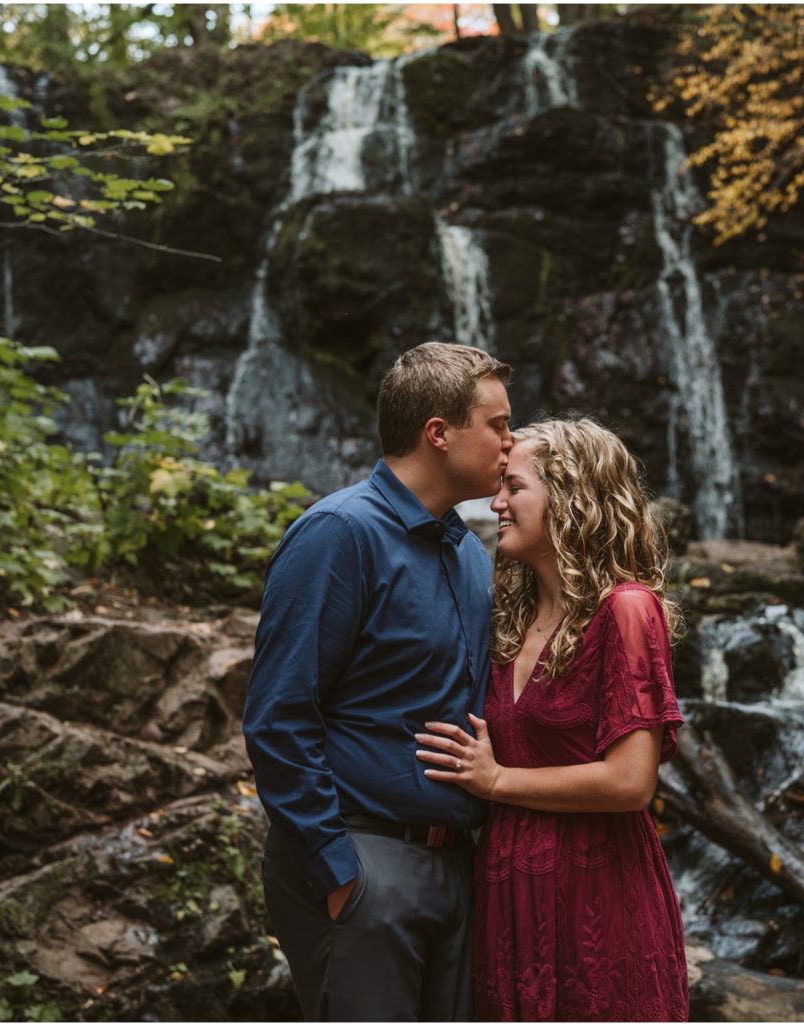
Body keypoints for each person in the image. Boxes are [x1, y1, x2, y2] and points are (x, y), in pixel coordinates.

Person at [243, 342, 513, 1021]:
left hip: (458, 867)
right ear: (439, 433)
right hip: (365, 861)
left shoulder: (468, 553)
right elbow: (278, 715)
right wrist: (340, 875)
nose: (513, 443)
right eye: (499, 424)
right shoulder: (339, 533)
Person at [415, 417, 689, 1021]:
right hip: (506, 888)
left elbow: (630, 783)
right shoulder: (508, 616)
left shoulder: (627, 610)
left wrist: (497, 782)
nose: (496, 503)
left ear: (570, 496)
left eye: (515, 487)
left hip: (598, 891)